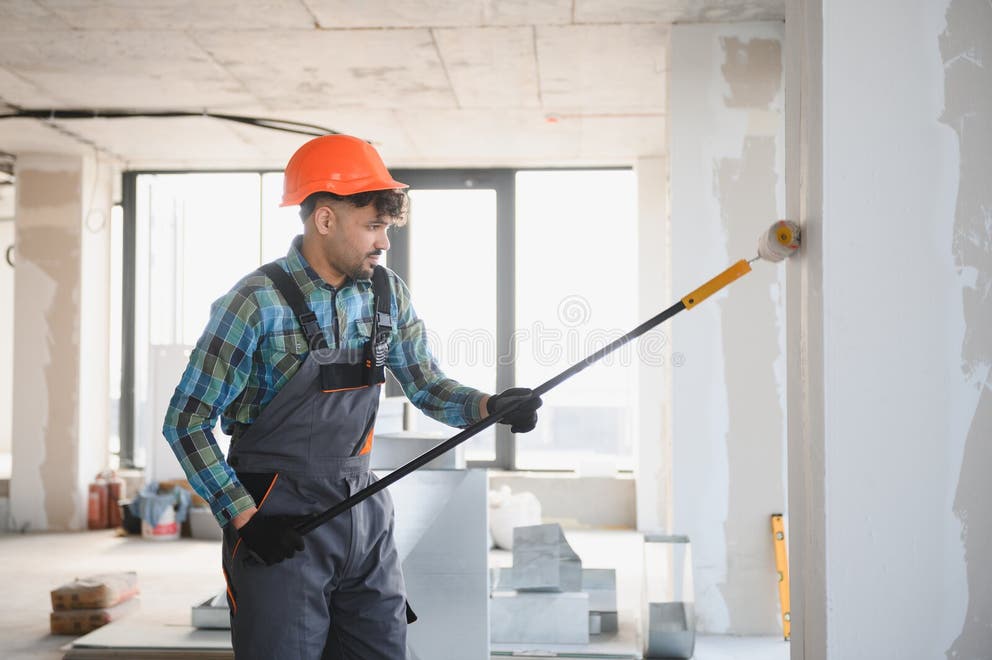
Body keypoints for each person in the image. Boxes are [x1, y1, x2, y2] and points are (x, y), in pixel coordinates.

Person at [162, 134, 542, 659]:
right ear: (324, 219)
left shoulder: (387, 293)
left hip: (362, 509)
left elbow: (426, 385)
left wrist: (489, 407)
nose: (383, 242)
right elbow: (187, 420)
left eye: (385, 228)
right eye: (372, 226)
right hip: (279, 518)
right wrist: (244, 518)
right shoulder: (254, 303)